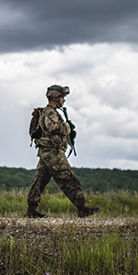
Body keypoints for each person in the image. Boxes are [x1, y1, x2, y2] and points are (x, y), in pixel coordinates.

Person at [25, 85, 100, 218]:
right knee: (68, 178)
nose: (63, 100)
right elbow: (51, 127)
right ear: (55, 98)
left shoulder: (48, 112)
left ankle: (31, 210)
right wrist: (67, 127)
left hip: (46, 152)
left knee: (40, 179)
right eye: (62, 97)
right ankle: (82, 208)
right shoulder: (50, 113)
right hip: (52, 153)